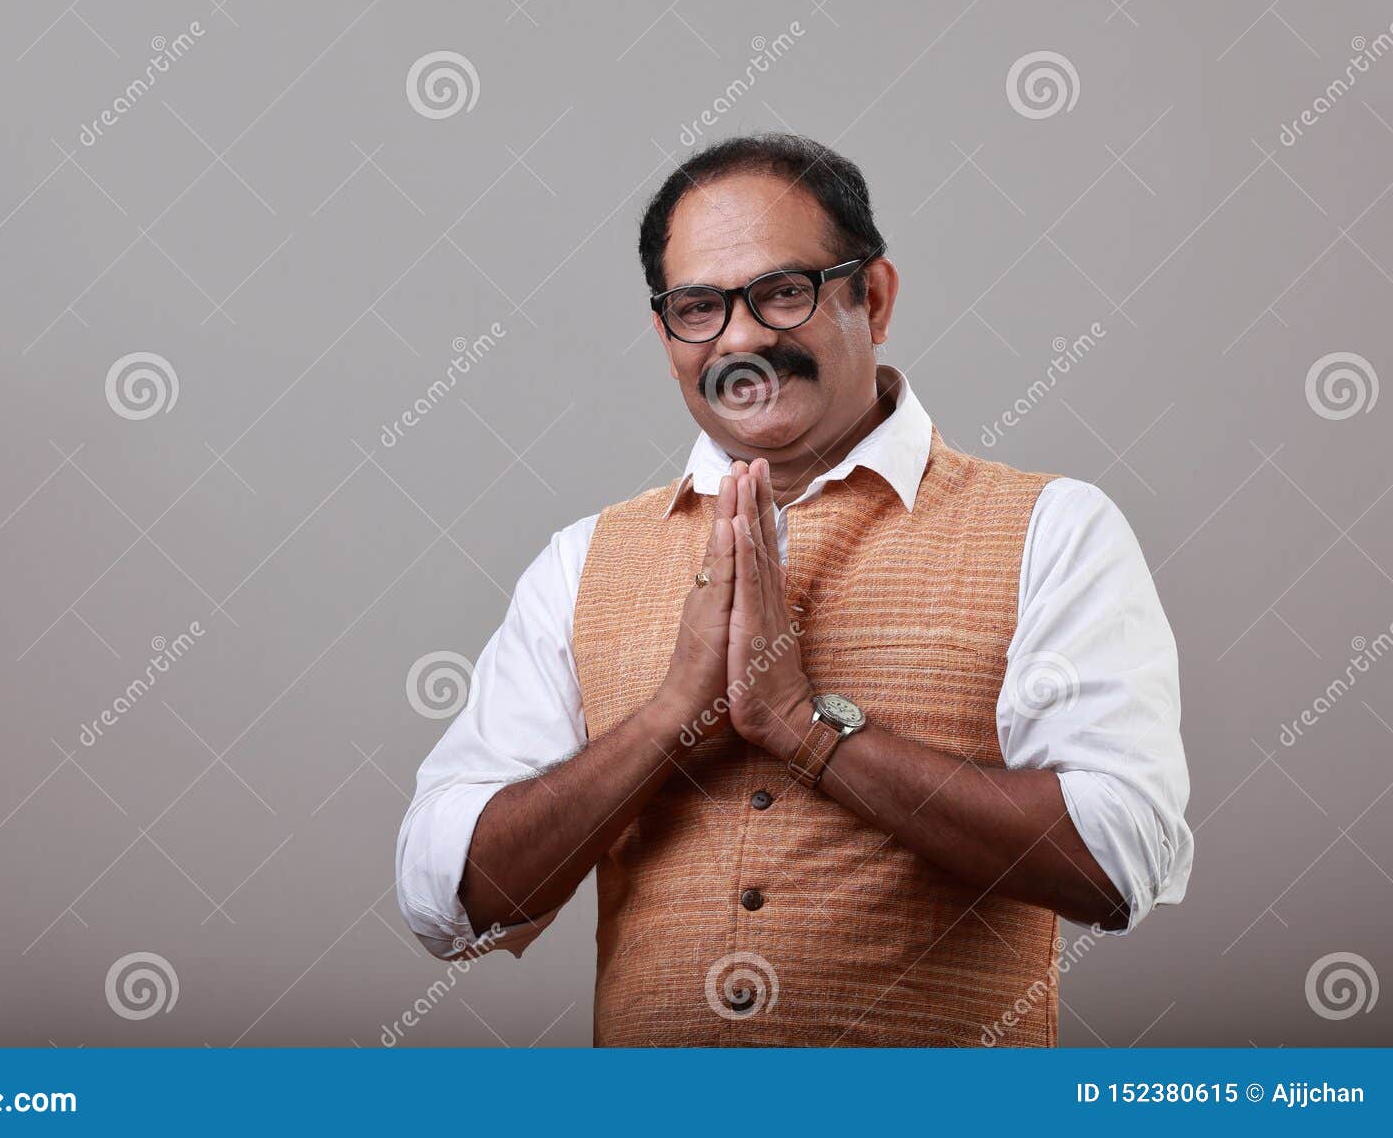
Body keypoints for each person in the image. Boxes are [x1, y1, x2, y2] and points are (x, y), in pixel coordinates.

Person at [395, 133, 1193, 1046]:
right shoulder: (581, 560)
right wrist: (669, 720)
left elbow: (1116, 860)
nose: (741, 338)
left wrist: (806, 728)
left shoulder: (1053, 529)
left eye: (783, 291)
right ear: (666, 336)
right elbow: (447, 898)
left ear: (874, 298)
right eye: (700, 306)